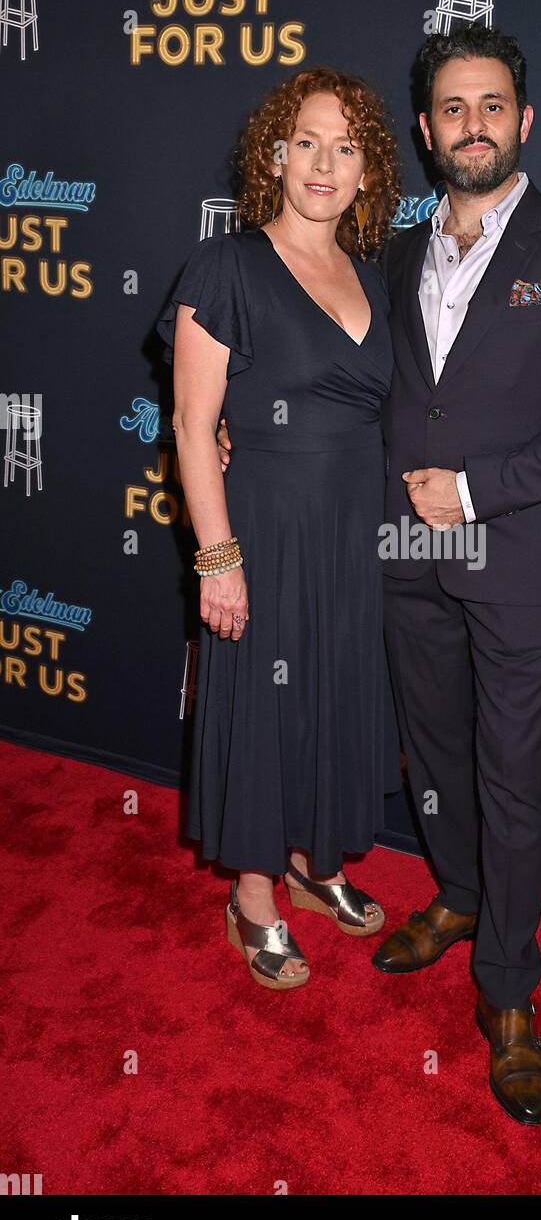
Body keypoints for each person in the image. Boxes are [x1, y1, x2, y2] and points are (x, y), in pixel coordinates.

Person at [218, 25, 541, 1123]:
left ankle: (508, 988)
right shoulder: (397, 255)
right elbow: (351, 394)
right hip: (403, 559)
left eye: (492, 106)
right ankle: (457, 896)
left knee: (507, 773)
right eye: (452, 109)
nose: (473, 126)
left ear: (524, 121)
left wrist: (478, 487)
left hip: (510, 556)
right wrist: (233, 439)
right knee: (438, 757)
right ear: (424, 129)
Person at [157, 68, 402, 990]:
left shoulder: (372, 278)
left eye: (347, 147)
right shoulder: (226, 266)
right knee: (263, 706)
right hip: (259, 524)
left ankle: (314, 862)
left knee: (331, 697)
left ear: (369, 171)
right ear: (275, 153)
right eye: (307, 140)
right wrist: (217, 559)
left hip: (349, 535)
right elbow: (191, 423)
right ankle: (253, 897)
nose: (325, 163)